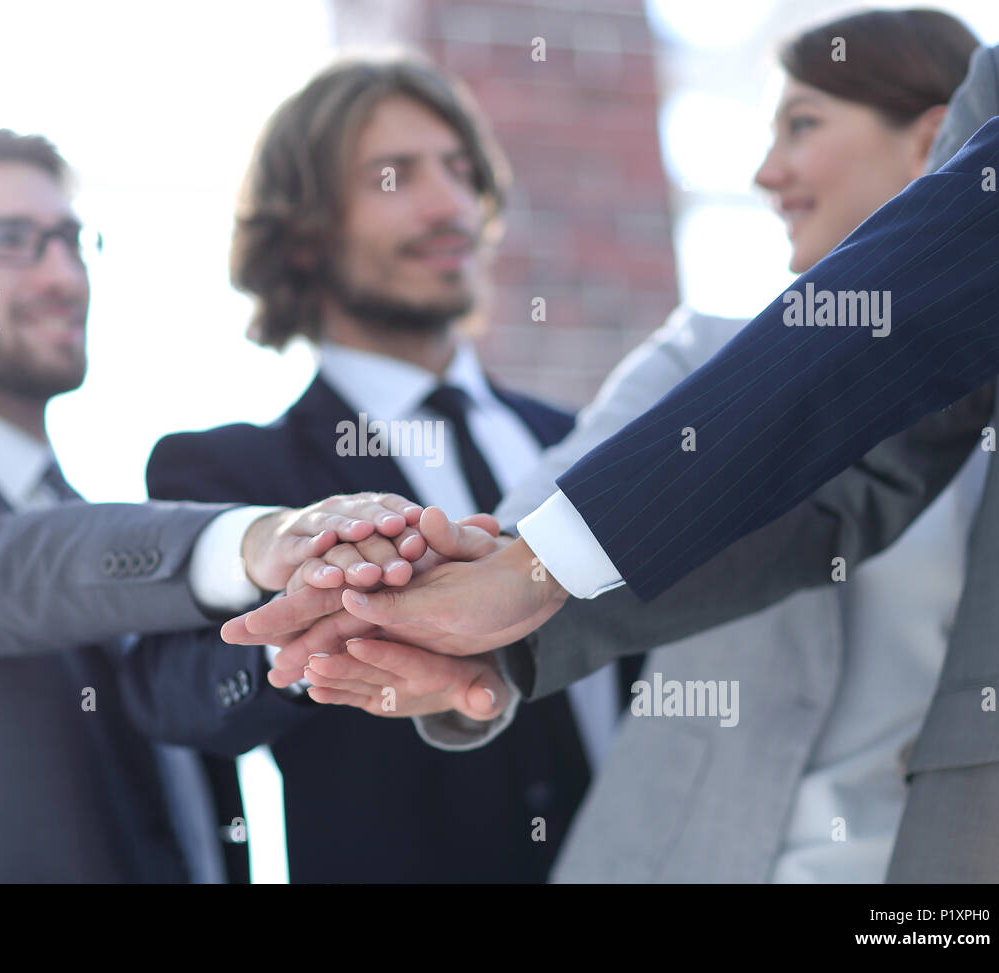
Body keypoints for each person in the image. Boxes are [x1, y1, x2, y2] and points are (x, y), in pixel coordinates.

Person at [230, 48, 999, 880]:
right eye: (396, 175)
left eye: (803, 125)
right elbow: (829, 485)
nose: (766, 174)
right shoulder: (706, 369)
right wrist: (510, 591)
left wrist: (518, 580)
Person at [0, 129, 431, 882]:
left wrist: (303, 623)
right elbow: (17, 568)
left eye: (70, 240)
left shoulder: (93, 522)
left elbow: (176, 694)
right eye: (9, 241)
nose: (64, 277)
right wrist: (249, 540)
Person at [145, 56, 634, 883]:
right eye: (393, 177)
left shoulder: (576, 437)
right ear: (304, 232)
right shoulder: (234, 468)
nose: (450, 204)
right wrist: (307, 637)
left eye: (459, 170)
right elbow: (176, 693)